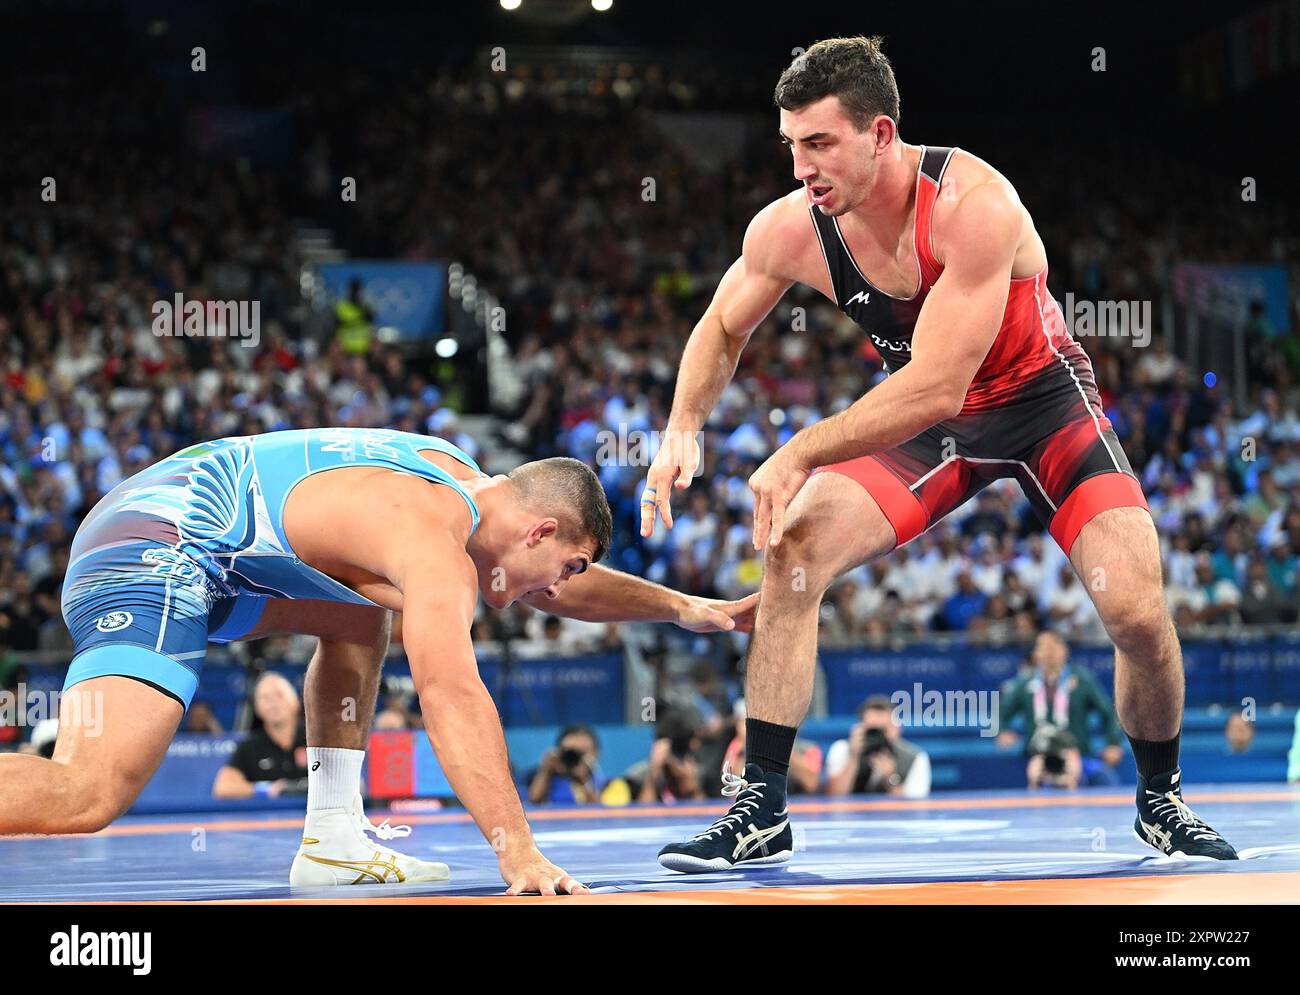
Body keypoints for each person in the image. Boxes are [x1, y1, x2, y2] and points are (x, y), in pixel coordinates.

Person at [643, 36, 1235, 871]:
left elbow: (939, 385)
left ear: (881, 133)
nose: (802, 165)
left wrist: (799, 451)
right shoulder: (791, 228)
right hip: (930, 424)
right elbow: (722, 324)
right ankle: (763, 804)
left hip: (1038, 404)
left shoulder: (975, 203)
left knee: (1136, 609)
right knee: (796, 548)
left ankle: (1160, 797)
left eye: (820, 144)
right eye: (791, 145)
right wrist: (682, 427)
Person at [0, 426, 757, 895]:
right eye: (567, 565)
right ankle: (333, 833)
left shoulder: (456, 480)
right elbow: (451, 694)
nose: (557, 590)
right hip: (159, 543)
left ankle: (333, 838)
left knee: (361, 611)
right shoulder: (432, 545)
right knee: (85, 794)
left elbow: (548, 586)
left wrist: (681, 606)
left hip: (199, 535)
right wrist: (518, 848)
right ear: (539, 530)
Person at [996, 630, 1124, 788]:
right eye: (1043, 647)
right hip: (1037, 757)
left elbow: (1108, 713)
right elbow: (1001, 713)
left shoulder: (1083, 679)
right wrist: (1002, 731)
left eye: (1054, 646)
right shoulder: (1024, 684)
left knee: (1106, 779)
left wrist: (1113, 743)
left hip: (1079, 755)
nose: (1049, 652)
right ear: (1035, 654)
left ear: (1065, 650)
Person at [213, 673, 311, 801]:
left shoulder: (316, 739)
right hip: (269, 817)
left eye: (279, 695)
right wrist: (265, 789)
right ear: (257, 708)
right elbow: (223, 787)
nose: (273, 703)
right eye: (265, 698)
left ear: (296, 701)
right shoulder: (250, 746)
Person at [825, 696, 930, 798]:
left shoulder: (916, 757)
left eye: (884, 730)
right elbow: (835, 798)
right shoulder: (842, 749)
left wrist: (890, 778)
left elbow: (915, 806)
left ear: (897, 728)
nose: (879, 736)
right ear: (860, 727)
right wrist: (853, 758)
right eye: (873, 730)